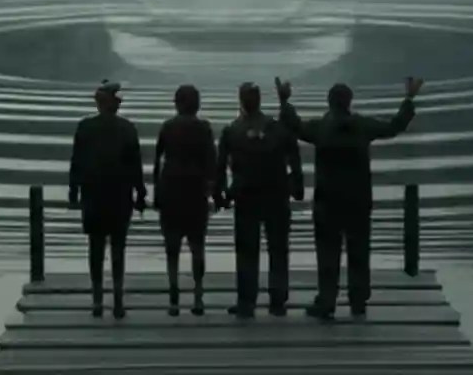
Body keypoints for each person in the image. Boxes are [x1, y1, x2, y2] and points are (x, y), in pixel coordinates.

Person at [276, 75, 424, 320]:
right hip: (358, 201)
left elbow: (294, 125)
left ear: (329, 102)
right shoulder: (363, 126)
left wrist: (284, 101)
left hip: (327, 202)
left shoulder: (320, 129)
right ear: (349, 102)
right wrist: (408, 98)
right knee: (359, 251)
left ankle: (327, 301)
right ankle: (358, 300)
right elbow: (394, 126)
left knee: (327, 254)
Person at [216, 82, 304, 318]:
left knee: (247, 250)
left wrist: (220, 195)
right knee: (278, 249)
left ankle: (247, 301)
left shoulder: (232, 130)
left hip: (246, 196)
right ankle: (278, 300)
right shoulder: (277, 129)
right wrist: (297, 187)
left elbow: (220, 166)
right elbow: (294, 157)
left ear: (241, 101)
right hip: (277, 194)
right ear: (260, 101)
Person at [68, 80, 147, 319]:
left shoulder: (85, 127)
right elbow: (136, 166)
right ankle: (118, 300)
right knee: (118, 248)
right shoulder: (127, 129)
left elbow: (76, 162)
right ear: (116, 104)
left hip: (93, 195)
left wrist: (73, 191)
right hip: (120, 195)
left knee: (95, 248)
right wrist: (140, 193)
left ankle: (97, 300)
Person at [153, 84, 218, 316]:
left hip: (171, 190)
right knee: (197, 246)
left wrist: (156, 193)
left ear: (177, 103)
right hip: (195, 192)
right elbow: (212, 162)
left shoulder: (168, 127)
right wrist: (213, 191)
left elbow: (158, 161)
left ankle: (174, 295)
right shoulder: (204, 128)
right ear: (197, 104)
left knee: (172, 248)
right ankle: (198, 295)